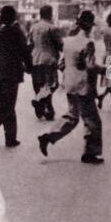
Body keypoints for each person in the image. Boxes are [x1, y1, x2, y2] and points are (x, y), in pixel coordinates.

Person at [37, 10, 103, 164]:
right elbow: (91, 65)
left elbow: (61, 64)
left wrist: (71, 72)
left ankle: (48, 136)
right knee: (92, 120)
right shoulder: (88, 43)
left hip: (69, 84)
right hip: (83, 85)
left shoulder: (67, 41)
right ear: (89, 26)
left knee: (72, 117)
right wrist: (106, 69)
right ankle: (90, 153)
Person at [0, 5, 33, 147]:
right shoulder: (17, 33)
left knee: (6, 105)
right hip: (10, 76)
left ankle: (11, 138)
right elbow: (25, 53)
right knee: (8, 107)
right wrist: (30, 68)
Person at [29, 5, 61, 120]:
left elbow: (30, 44)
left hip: (35, 59)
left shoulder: (33, 27)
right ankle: (40, 101)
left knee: (40, 84)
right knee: (52, 84)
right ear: (50, 14)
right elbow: (60, 44)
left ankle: (44, 107)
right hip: (49, 59)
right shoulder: (53, 28)